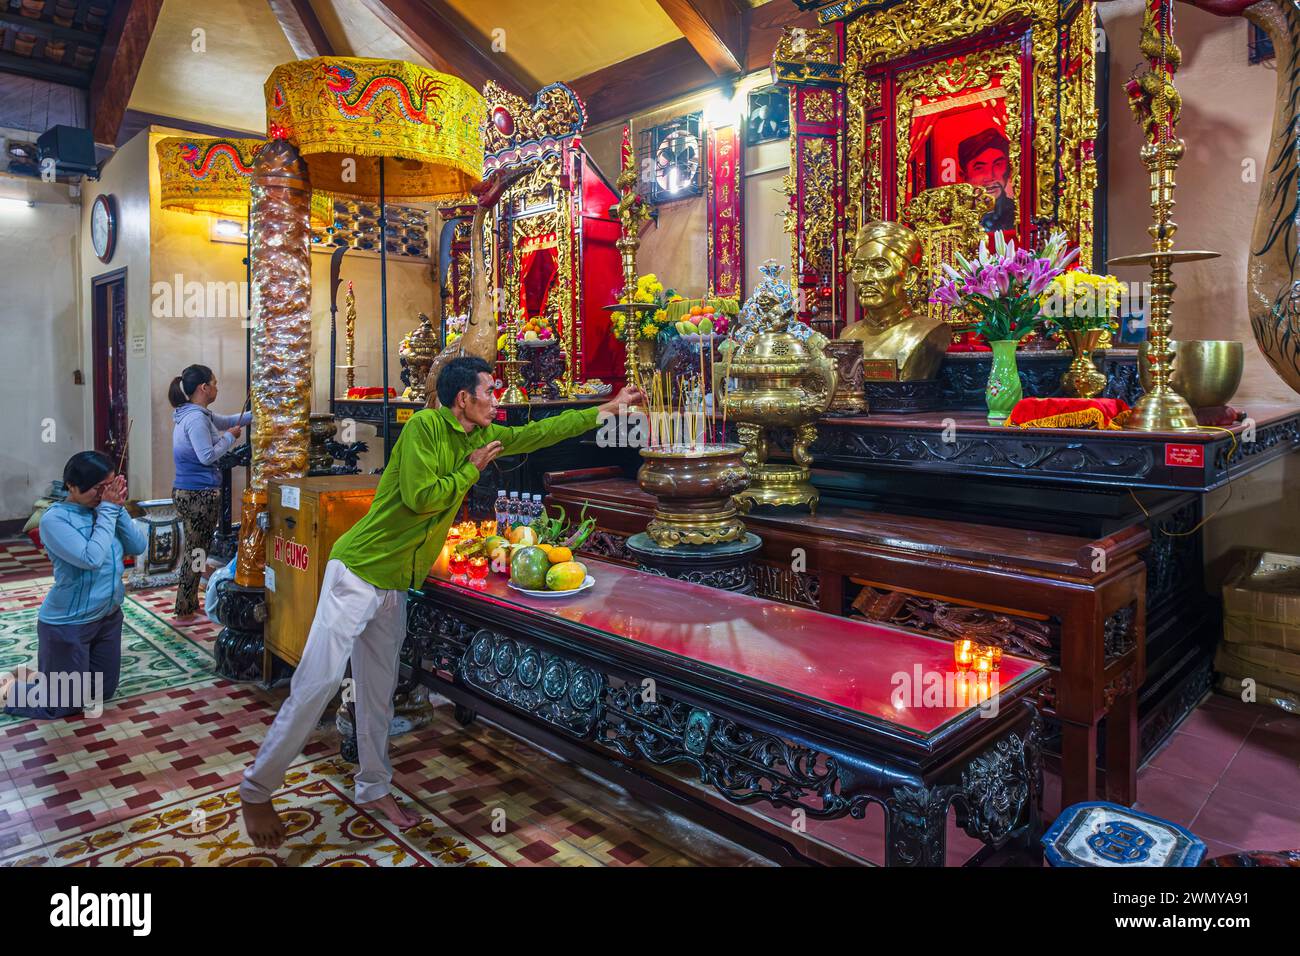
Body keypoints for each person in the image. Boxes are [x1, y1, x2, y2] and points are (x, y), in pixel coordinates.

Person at [240, 357, 644, 848]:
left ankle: (372, 787)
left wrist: (607, 409)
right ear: (463, 400)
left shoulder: (478, 435)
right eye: (489, 392)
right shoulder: (426, 429)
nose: (497, 400)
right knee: (319, 681)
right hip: (357, 573)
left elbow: (540, 433)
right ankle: (257, 789)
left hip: (395, 583)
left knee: (376, 692)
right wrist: (469, 472)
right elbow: (420, 497)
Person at [0, 451, 146, 719]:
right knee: (63, 706)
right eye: (98, 488)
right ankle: (8, 688)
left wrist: (118, 508)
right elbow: (90, 558)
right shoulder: (55, 520)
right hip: (68, 623)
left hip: (107, 617)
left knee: (101, 693)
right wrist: (110, 510)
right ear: (72, 486)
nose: (104, 494)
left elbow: (138, 546)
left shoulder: (106, 509)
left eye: (110, 485)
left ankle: (44, 678)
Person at [169, 363, 250, 619]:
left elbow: (226, 420)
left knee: (197, 548)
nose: (217, 387)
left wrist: (255, 415)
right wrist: (229, 438)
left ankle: (188, 601)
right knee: (197, 551)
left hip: (190, 491)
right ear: (204, 388)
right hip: (198, 494)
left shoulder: (195, 413)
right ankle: (186, 604)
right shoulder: (195, 419)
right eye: (214, 383)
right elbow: (206, 456)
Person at [957, 128, 1017, 232]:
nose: (990, 176)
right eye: (979, 168)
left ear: (1009, 172)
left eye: (998, 165)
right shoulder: (957, 219)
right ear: (964, 177)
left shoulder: (1017, 213)